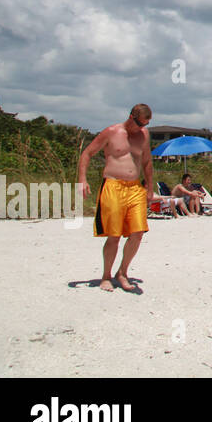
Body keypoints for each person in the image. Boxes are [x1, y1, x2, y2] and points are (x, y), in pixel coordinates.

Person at [77, 104, 158, 293]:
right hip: (113, 185)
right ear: (131, 117)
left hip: (135, 187)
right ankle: (106, 276)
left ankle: (122, 272)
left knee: (138, 233)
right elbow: (87, 153)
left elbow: (146, 161)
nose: (141, 128)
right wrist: (82, 179)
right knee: (114, 235)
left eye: (145, 124)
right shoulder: (112, 132)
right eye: (139, 124)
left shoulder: (144, 135)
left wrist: (150, 187)